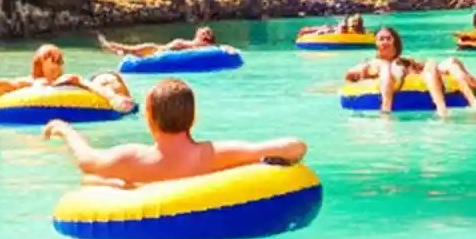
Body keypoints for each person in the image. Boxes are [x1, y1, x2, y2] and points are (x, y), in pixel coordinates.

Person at [43, 77, 307, 188]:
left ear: (150, 119)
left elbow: (86, 161)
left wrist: (64, 129)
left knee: (98, 182)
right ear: (193, 118)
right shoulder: (213, 155)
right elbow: (295, 146)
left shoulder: (132, 158)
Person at [0, 44, 135, 131]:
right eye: (53, 62)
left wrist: (113, 99)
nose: (58, 66)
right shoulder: (32, 79)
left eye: (59, 62)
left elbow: (87, 84)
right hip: (17, 90)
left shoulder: (67, 79)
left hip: (23, 93)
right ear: (40, 64)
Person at [344, 26, 476, 117]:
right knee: (386, 67)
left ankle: (459, 105)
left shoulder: (404, 62)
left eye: (388, 38)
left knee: (441, 62)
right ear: (376, 44)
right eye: (381, 39)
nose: (385, 41)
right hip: (387, 83)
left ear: (394, 42)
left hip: (411, 77)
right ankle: (385, 112)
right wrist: (361, 74)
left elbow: (422, 68)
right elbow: (350, 74)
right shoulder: (372, 63)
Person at [97, 26, 235, 57]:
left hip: (163, 52)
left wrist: (230, 49)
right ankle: (112, 47)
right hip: (162, 49)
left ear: (206, 37)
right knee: (133, 50)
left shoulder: (205, 45)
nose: (199, 30)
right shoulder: (197, 42)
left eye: (203, 31)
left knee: (133, 50)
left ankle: (111, 46)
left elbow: (221, 47)